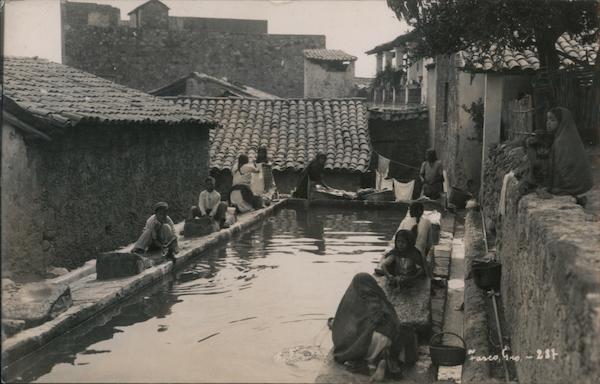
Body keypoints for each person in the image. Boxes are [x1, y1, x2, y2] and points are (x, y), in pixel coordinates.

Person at [331, 273, 418, 381]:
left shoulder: (349, 302)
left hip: (355, 348)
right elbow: (384, 318)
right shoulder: (376, 297)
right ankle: (384, 358)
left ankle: (373, 361)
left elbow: (341, 324)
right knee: (403, 332)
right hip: (380, 340)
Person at [538, 107, 593, 204]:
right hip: (580, 184)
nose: (548, 123)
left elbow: (561, 169)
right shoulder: (567, 136)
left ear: (562, 122)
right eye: (548, 119)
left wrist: (549, 186)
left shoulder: (562, 142)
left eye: (552, 120)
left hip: (570, 183)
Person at [397, 202, 432, 274]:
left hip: (404, 253)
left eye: (410, 210)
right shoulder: (428, 222)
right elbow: (429, 244)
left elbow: (397, 237)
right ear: (422, 212)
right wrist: (423, 258)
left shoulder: (405, 221)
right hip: (419, 256)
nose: (409, 211)